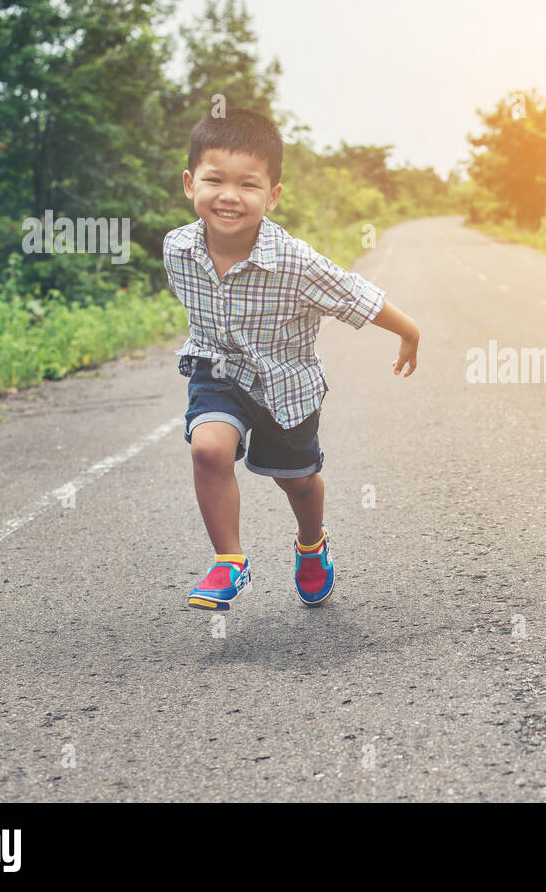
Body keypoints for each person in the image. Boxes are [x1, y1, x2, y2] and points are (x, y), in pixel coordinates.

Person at [163, 107, 419, 610]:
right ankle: (229, 562)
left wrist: (409, 332)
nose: (230, 196)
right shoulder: (178, 249)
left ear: (272, 196)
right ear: (190, 184)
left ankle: (310, 545)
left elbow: (355, 295)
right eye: (215, 180)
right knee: (208, 449)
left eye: (249, 185)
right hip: (219, 372)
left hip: (287, 383)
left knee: (298, 482)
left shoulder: (296, 262)